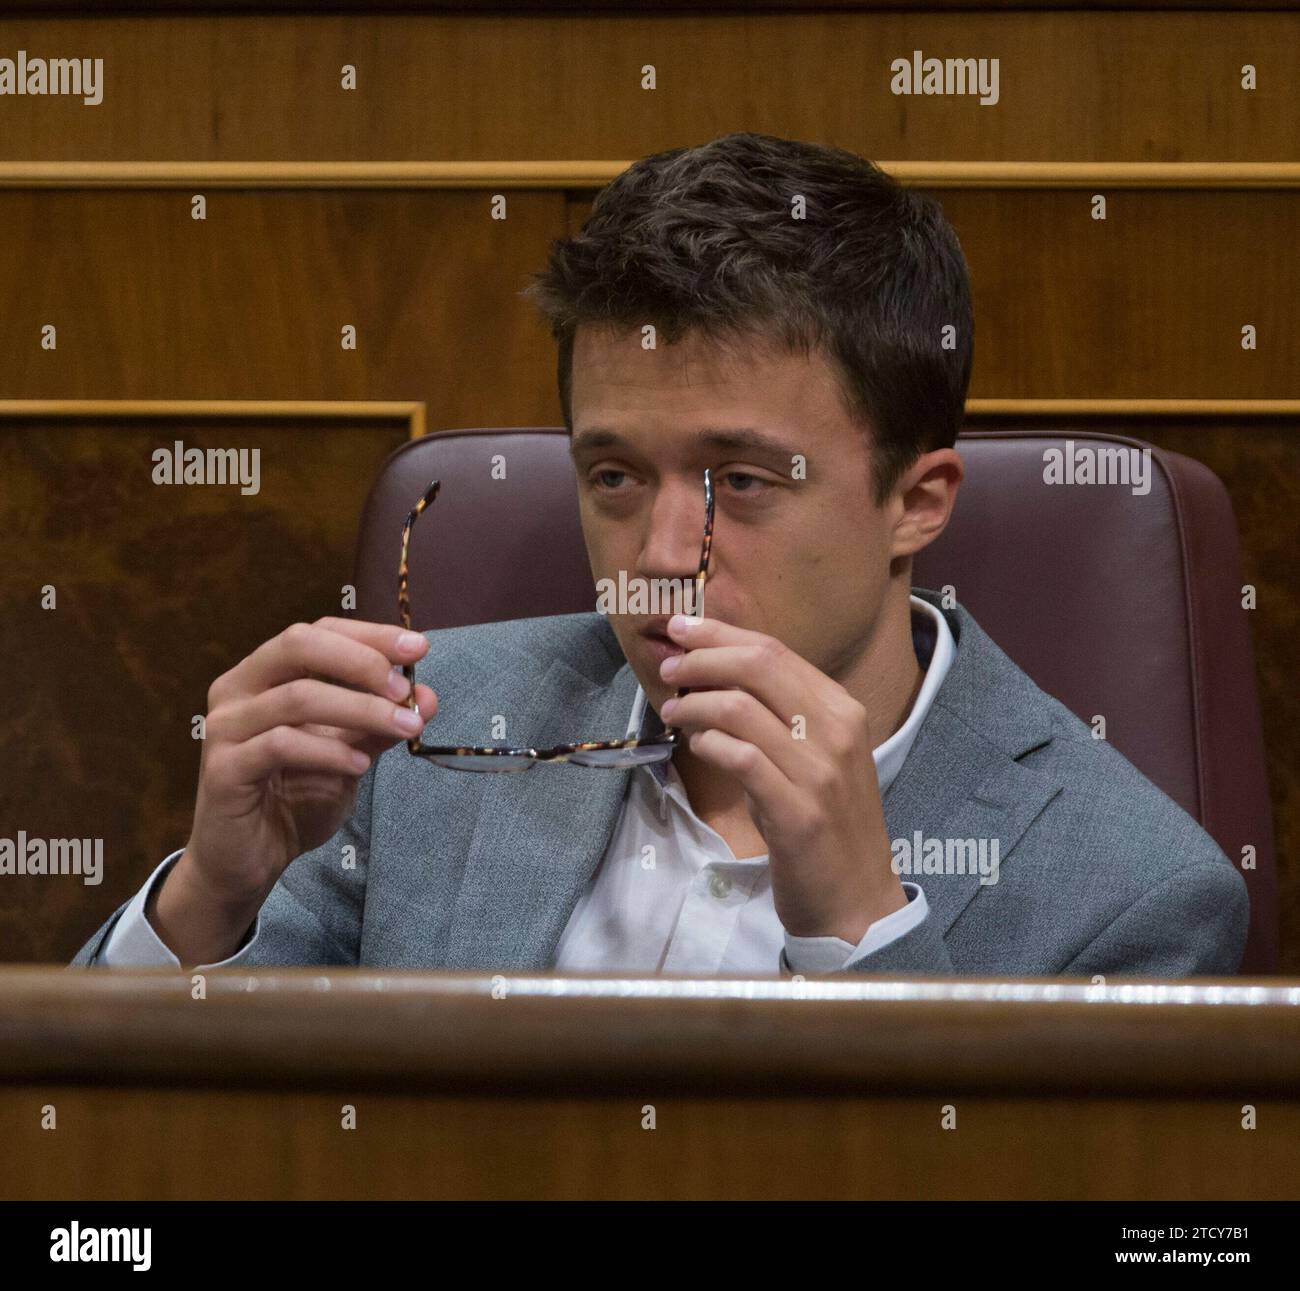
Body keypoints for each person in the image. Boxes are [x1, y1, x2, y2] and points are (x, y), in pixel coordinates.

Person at [71, 132, 1247, 976]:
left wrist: (864, 937)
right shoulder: (420, 735)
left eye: (740, 479)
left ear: (916, 500)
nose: (663, 555)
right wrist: (207, 899)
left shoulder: (1137, 893)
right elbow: (139, 1161)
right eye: (616, 476)